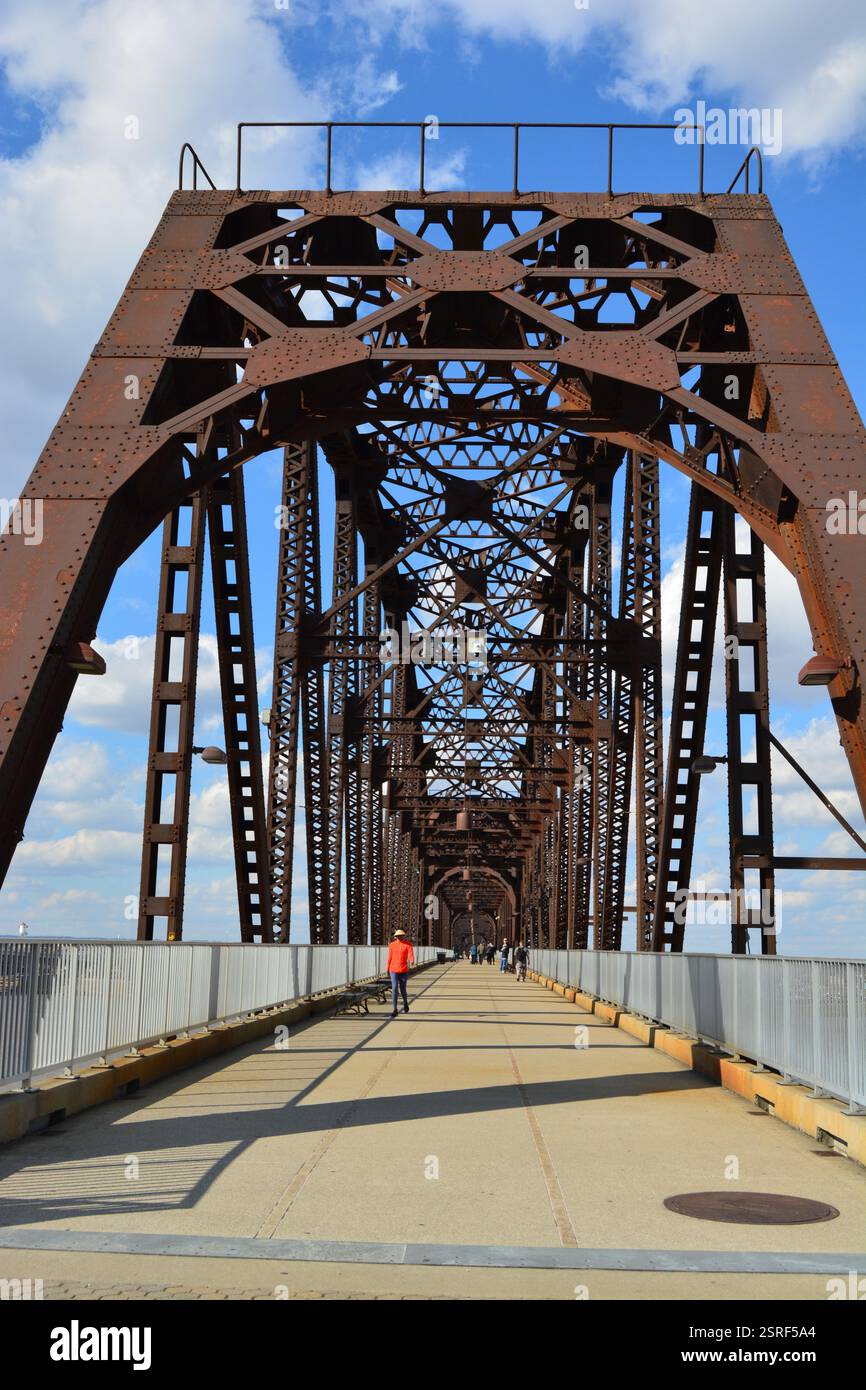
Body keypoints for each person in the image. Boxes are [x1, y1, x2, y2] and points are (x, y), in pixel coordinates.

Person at [386, 927, 415, 1016]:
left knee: (403, 989)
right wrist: (387, 968)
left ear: (403, 936)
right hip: (393, 969)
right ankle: (395, 1009)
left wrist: (412, 960)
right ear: (396, 936)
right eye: (398, 936)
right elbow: (389, 957)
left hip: (403, 969)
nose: (400, 937)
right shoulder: (392, 945)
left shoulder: (408, 944)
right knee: (394, 987)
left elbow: (411, 954)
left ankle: (405, 1002)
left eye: (401, 936)